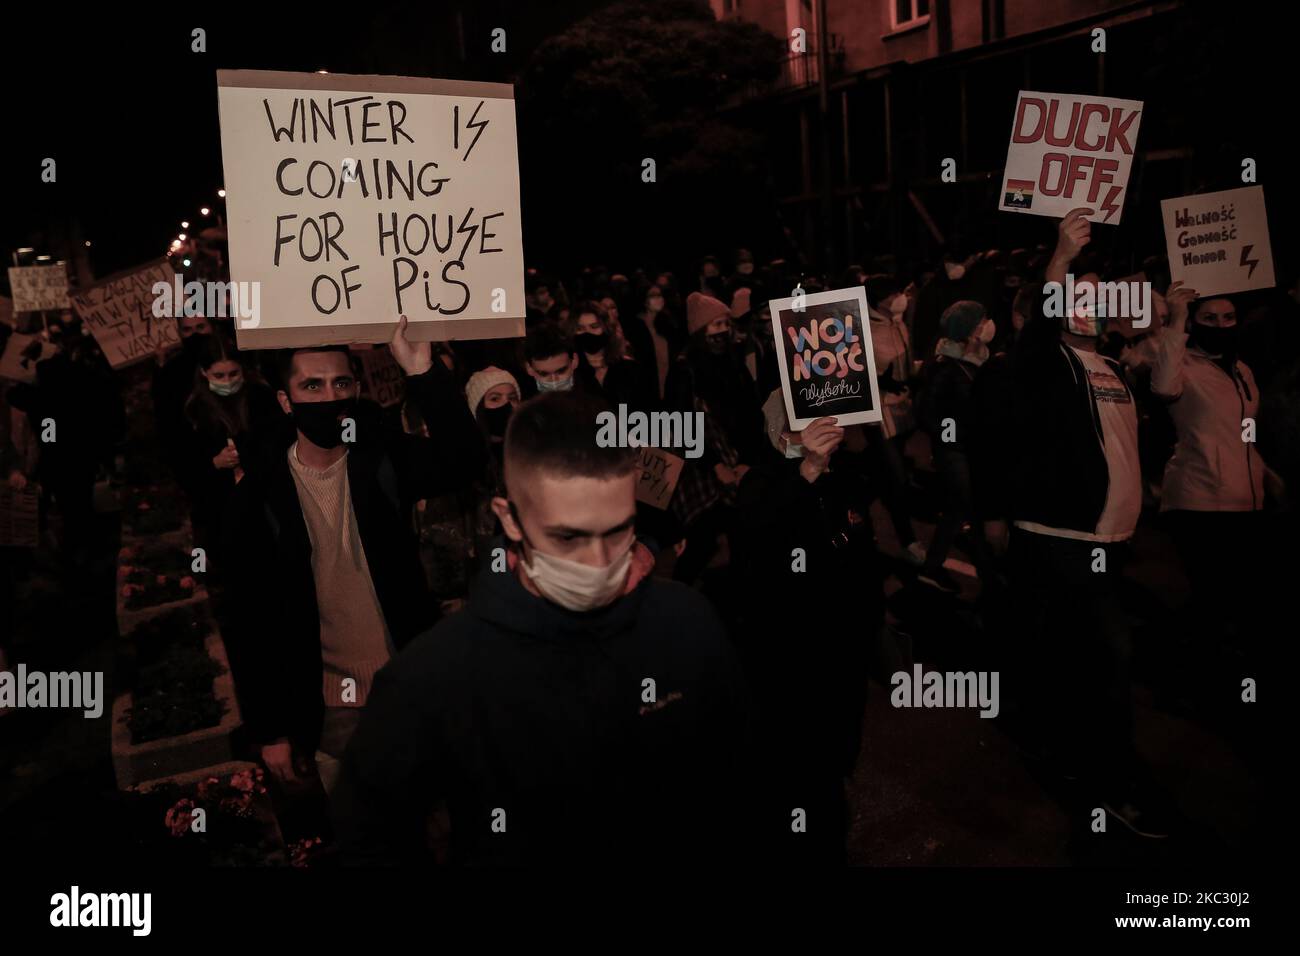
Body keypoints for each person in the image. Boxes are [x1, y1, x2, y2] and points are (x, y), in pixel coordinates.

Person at [333, 390, 753, 865]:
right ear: (510, 519)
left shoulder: (688, 622)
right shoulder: (432, 677)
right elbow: (368, 838)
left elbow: (737, 784)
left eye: (618, 531)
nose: (599, 563)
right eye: (568, 536)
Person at [221, 317, 484, 795]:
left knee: (441, 824)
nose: (328, 397)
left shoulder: (381, 457)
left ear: (357, 387)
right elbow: (247, 618)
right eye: (312, 386)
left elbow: (465, 460)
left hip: (411, 685)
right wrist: (271, 730)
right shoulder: (256, 496)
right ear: (286, 401)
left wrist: (422, 371)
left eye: (340, 382)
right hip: (328, 711)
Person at [990, 207, 1161, 837]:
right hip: (1061, 541)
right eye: (1075, 299)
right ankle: (1109, 786)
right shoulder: (1045, 363)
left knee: (1074, 661)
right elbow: (1038, 329)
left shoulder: (1110, 366)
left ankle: (1059, 751)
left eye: (1094, 298)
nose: (1086, 307)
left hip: (1104, 543)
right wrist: (1061, 255)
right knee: (1107, 661)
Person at [1150, 283, 1280, 672]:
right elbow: (1162, 387)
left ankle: (1195, 664)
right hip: (1198, 497)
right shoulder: (1181, 364)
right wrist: (1176, 320)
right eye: (1209, 318)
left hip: (1246, 499)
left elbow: (1244, 430)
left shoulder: (1243, 370)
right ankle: (1192, 672)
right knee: (1214, 593)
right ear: (1195, 321)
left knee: (1237, 597)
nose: (1220, 325)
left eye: (1228, 318)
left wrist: (1261, 467)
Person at [664, 292, 766, 586]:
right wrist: (714, 465)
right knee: (701, 541)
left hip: (739, 464)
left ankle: (740, 599)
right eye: (714, 324)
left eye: (724, 323)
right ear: (699, 330)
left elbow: (752, 412)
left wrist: (747, 460)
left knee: (743, 535)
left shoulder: (733, 360)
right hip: (701, 473)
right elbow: (680, 424)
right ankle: (678, 600)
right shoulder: (685, 369)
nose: (721, 330)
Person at [179, 334, 281, 568]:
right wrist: (214, 463)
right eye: (219, 375)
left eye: (233, 374)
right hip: (224, 509)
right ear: (204, 373)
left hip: (267, 500)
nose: (227, 381)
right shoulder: (195, 411)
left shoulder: (261, 396)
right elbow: (186, 466)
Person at [915, 300, 996, 593]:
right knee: (972, 509)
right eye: (982, 320)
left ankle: (931, 570)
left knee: (957, 511)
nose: (988, 323)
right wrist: (951, 441)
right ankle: (991, 579)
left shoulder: (981, 359)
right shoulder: (946, 366)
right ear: (970, 330)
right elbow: (926, 413)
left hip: (971, 449)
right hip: (956, 452)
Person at [565, 300, 653, 410]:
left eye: (594, 326)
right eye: (580, 329)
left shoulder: (630, 369)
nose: (587, 333)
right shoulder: (567, 372)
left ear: (606, 328)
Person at [522, 322, 578, 397]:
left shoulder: (594, 400)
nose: (554, 380)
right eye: (544, 374)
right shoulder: (523, 406)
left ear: (574, 361)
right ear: (529, 368)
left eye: (561, 371)